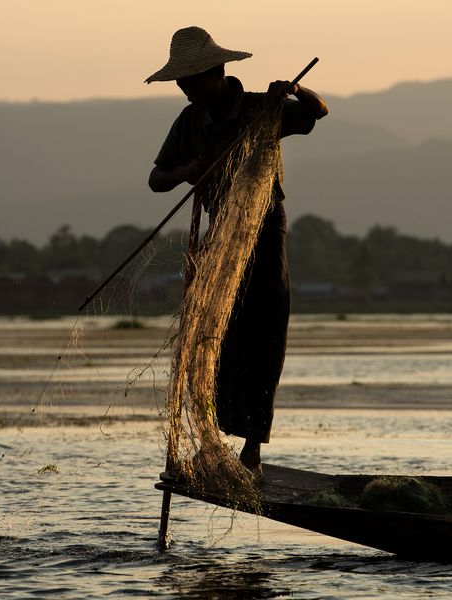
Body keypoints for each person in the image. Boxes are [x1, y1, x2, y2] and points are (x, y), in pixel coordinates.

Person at [146, 26, 328, 476]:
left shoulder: (259, 109)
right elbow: (157, 179)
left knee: (264, 331)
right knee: (214, 334)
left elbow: (317, 112)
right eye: (182, 84)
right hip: (218, 234)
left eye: (193, 82)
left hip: (263, 229)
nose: (187, 91)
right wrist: (189, 170)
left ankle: (252, 449)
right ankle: (211, 437)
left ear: (217, 72)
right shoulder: (188, 122)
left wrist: (295, 90)